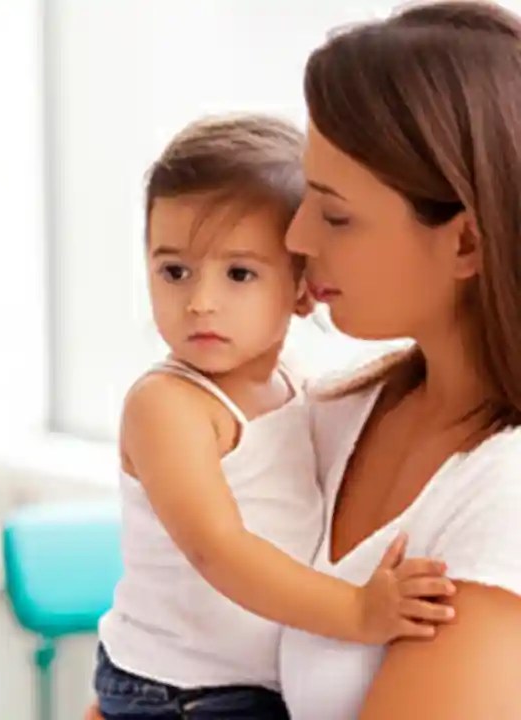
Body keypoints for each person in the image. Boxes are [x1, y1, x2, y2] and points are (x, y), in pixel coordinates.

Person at [93, 115, 453, 719]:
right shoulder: (168, 405)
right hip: (179, 692)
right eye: (174, 270)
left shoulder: (297, 385)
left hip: (242, 687)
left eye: (240, 273)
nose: (200, 300)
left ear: (303, 287)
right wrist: (356, 611)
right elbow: (218, 548)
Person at [278, 2, 521, 717]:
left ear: (467, 244)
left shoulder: (504, 495)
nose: (294, 236)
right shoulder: (332, 415)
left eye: (336, 214)